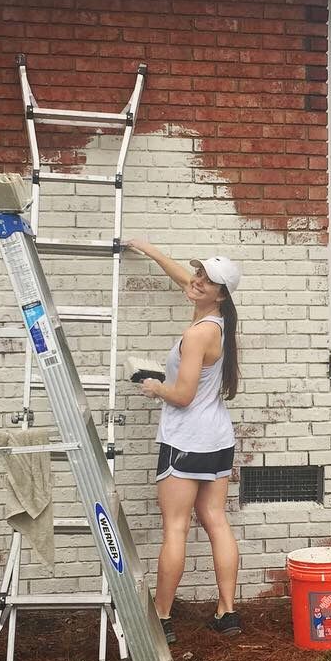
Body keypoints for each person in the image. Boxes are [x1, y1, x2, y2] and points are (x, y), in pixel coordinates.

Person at [123, 238, 243, 640]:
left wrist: (156, 386)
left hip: (186, 440)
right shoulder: (219, 320)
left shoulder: (198, 335)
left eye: (206, 279)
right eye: (198, 273)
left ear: (220, 294)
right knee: (216, 520)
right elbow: (185, 280)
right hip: (217, 439)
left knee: (175, 527)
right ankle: (227, 612)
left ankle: (161, 617)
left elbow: (184, 395)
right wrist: (150, 250)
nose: (196, 280)